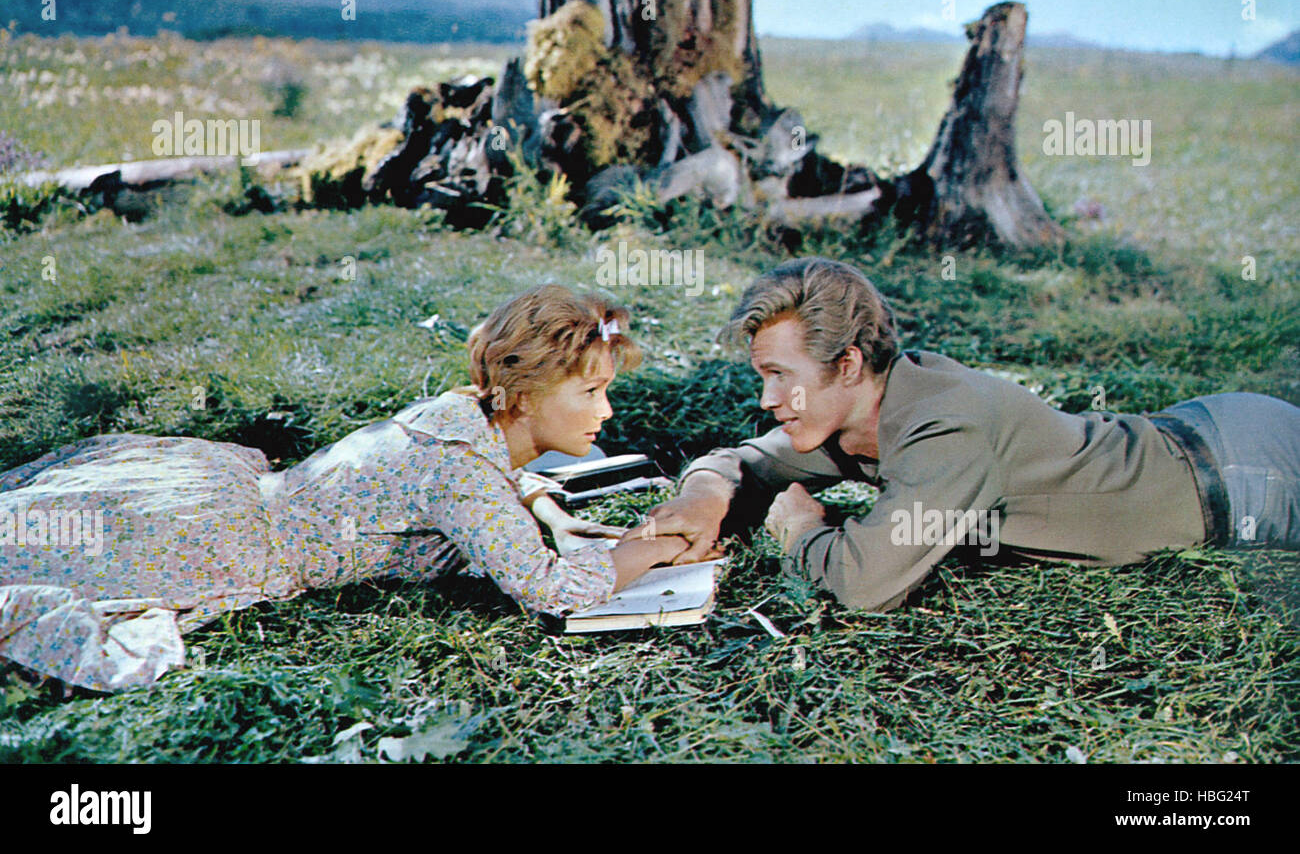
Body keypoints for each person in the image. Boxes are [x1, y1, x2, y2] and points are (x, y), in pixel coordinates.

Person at [0, 285, 688, 692]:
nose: (607, 411)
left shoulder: (464, 413)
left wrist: (553, 515)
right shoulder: (459, 468)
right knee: (45, 549)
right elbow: (552, 591)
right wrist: (652, 547)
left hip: (233, 498)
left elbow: (496, 483)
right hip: (224, 541)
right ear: (528, 395)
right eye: (593, 390)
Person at [643, 257, 1300, 612]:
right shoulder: (860, 415)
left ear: (846, 365)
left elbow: (866, 584)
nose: (769, 401)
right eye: (763, 377)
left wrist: (802, 535)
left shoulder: (942, 428)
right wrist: (706, 498)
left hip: (1243, 470)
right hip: (1203, 436)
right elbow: (744, 461)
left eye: (782, 377)